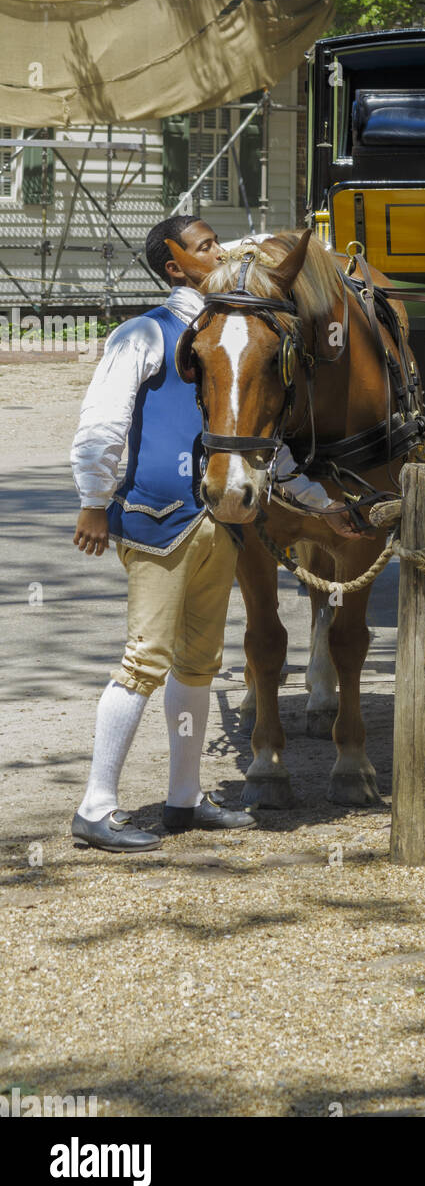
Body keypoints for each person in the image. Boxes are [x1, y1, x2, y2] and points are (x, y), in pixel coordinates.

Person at [69, 215, 258, 852]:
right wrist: (95, 502)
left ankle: (183, 799)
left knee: (200, 666)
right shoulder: (144, 331)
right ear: (175, 266)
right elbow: (102, 421)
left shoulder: (233, 331)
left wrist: (316, 501)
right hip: (155, 520)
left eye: (218, 241)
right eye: (205, 246)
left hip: (217, 524)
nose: (220, 250)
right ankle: (94, 807)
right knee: (143, 660)